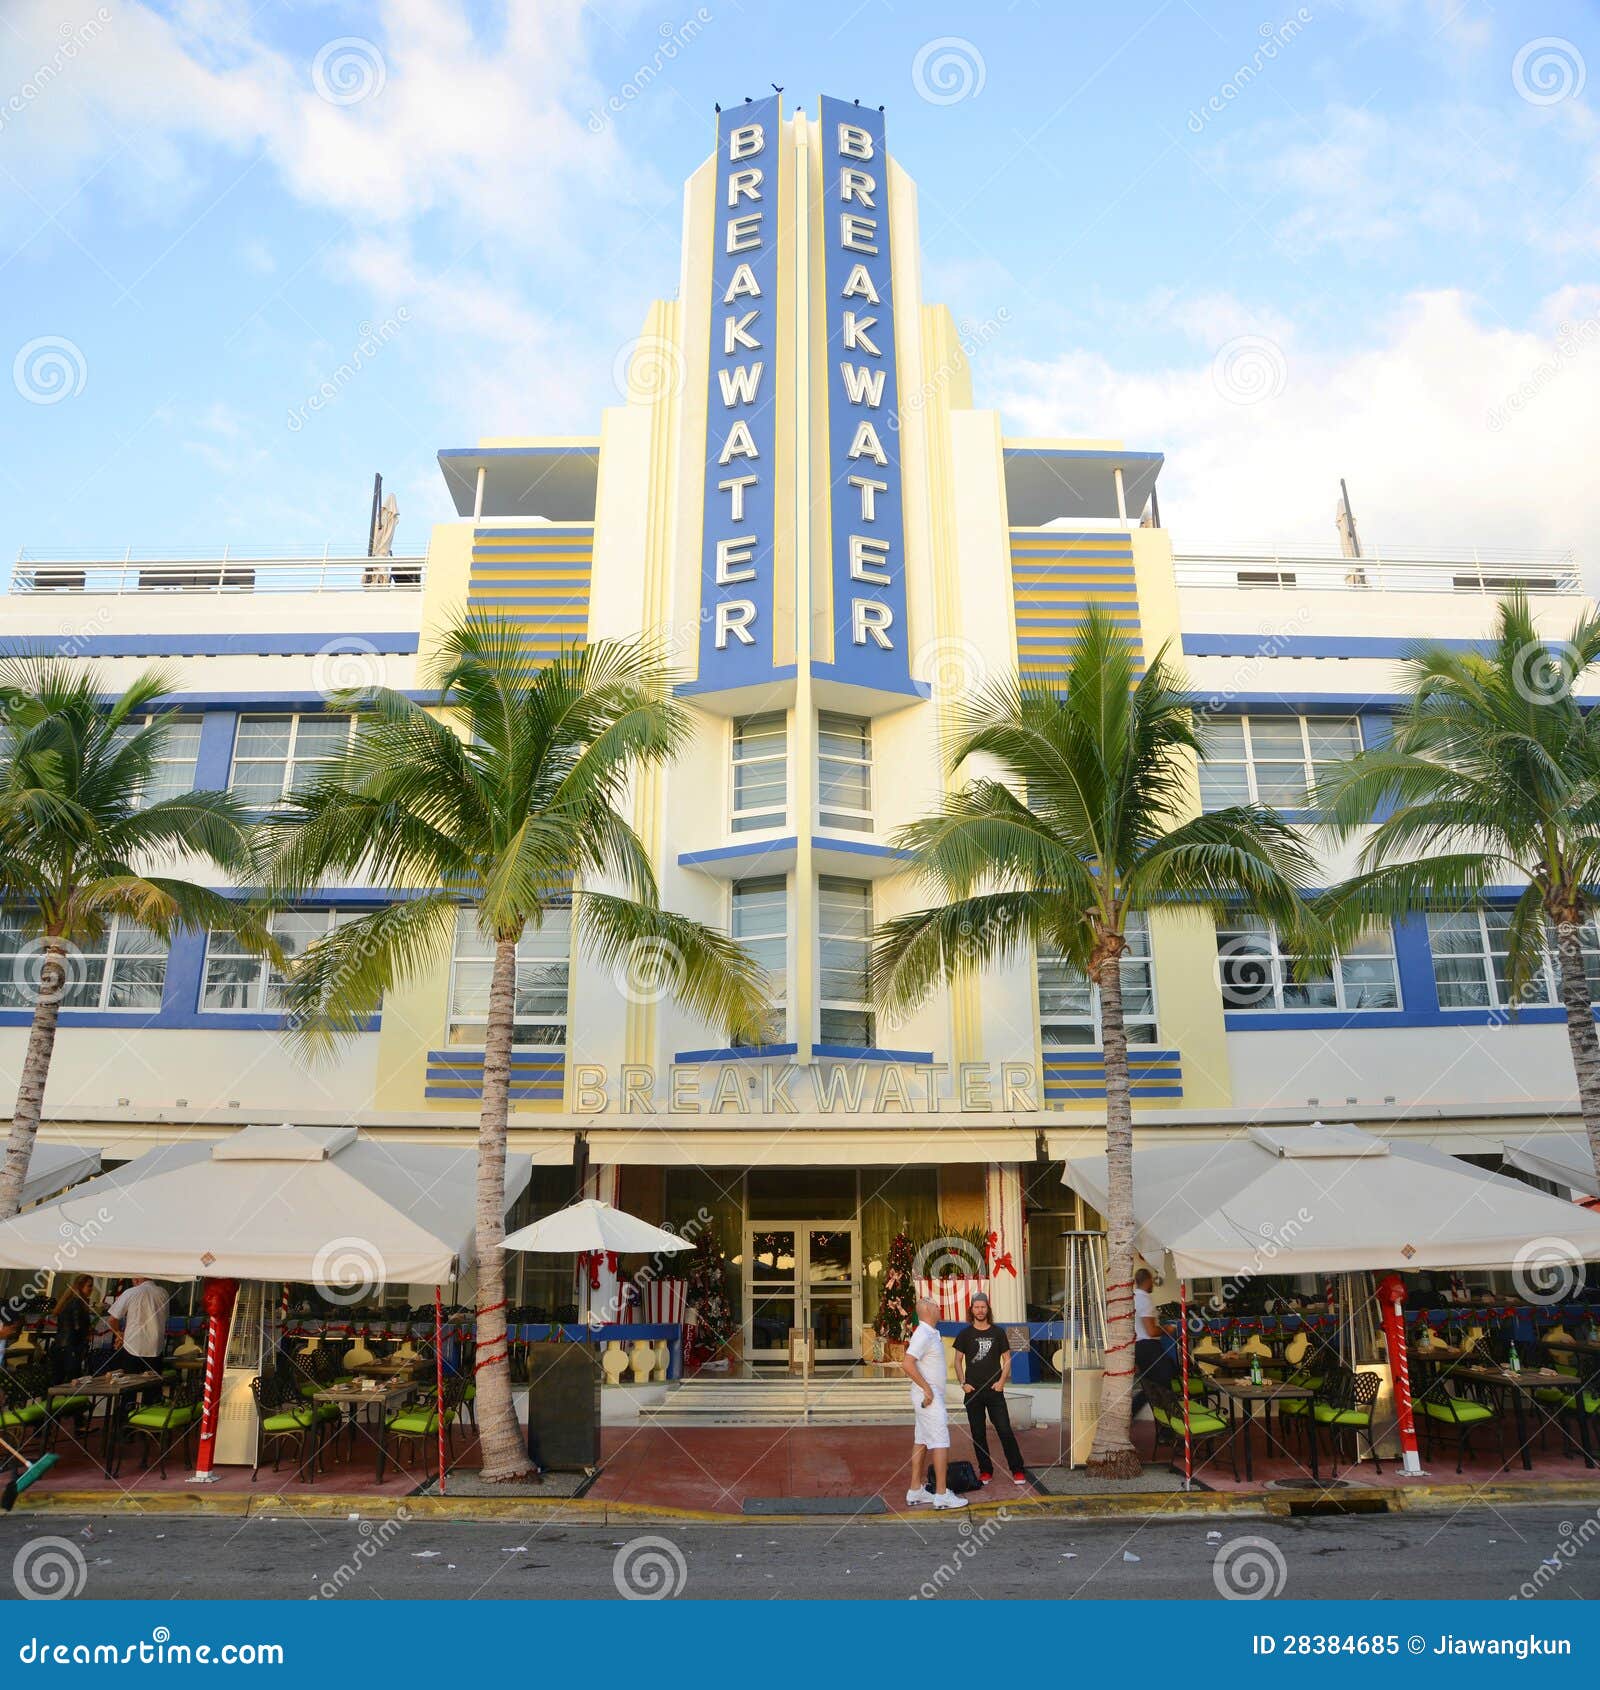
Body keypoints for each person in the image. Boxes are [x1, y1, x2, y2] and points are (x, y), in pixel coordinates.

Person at [900, 1294, 967, 1510]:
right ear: (928, 1311)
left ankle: (915, 1490)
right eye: (937, 1306)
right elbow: (907, 1364)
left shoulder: (929, 1333)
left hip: (927, 1396)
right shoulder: (923, 1334)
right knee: (940, 1442)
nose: (940, 1308)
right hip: (929, 1398)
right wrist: (928, 1390)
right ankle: (940, 1494)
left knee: (922, 1439)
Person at [953, 1292, 1027, 1485]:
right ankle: (986, 1471)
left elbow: (1007, 1359)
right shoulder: (965, 1334)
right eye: (977, 1307)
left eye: (983, 1307)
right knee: (978, 1434)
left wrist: (1002, 1381)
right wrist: (963, 1383)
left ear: (988, 1309)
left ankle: (1017, 1469)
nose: (980, 1310)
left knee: (1004, 1430)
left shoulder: (998, 1332)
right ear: (972, 1309)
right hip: (973, 1392)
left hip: (995, 1391)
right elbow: (957, 1361)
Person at [1130, 1266, 1177, 1413]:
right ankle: (1170, 1426)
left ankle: (1133, 1412)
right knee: (1164, 1386)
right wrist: (1167, 1330)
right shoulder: (1144, 1299)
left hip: (1138, 1347)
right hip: (1148, 1347)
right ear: (1148, 1280)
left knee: (1151, 1387)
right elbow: (1151, 1331)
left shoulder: (1133, 1297)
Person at [106, 1276, 169, 1374]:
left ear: (136, 1279)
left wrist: (119, 1333)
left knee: (130, 1384)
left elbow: (112, 1319)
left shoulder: (131, 1292)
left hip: (133, 1346)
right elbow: (165, 1318)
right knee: (153, 1386)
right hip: (155, 1348)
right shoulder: (164, 1293)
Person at [50, 1275, 96, 1384]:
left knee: (58, 1379)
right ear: (81, 1287)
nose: (91, 1289)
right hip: (71, 1347)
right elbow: (77, 1327)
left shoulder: (70, 1301)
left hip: (61, 1345)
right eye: (89, 1286)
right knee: (73, 1379)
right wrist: (88, 1332)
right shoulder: (77, 1303)